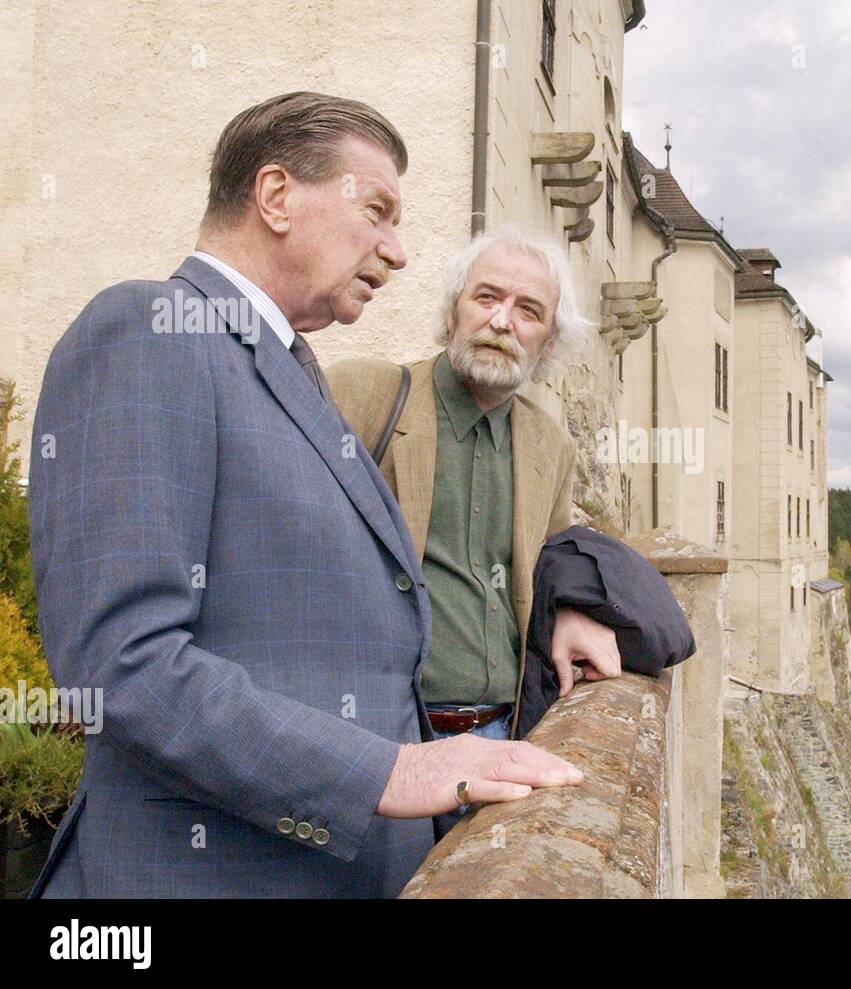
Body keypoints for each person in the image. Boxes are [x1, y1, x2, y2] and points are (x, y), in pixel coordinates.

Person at [26, 92, 581, 898]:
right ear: (277, 195)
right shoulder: (150, 329)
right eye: (379, 211)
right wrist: (388, 770)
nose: (395, 251)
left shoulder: (289, 369)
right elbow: (122, 666)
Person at [327, 229, 621, 838]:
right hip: (387, 739)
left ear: (547, 341)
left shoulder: (549, 443)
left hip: (500, 736)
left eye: (528, 311)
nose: (502, 321)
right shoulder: (363, 396)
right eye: (486, 298)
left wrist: (571, 609)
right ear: (454, 309)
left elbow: (556, 554)